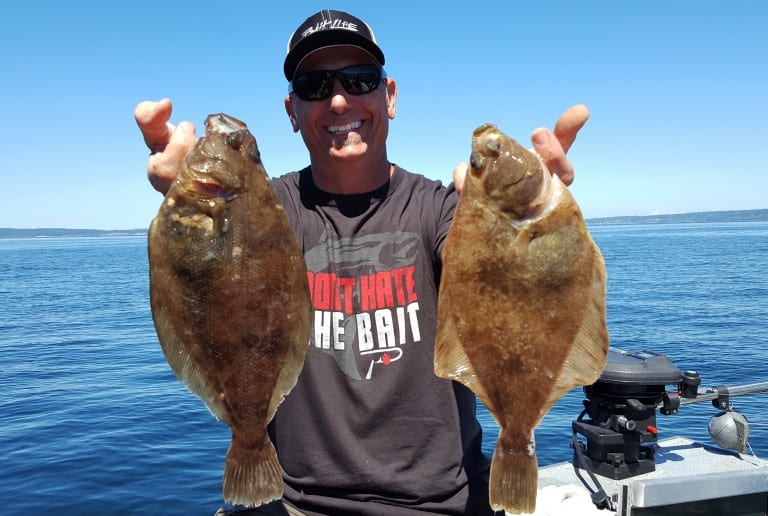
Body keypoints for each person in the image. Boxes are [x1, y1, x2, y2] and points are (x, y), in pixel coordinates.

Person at [135, 9, 589, 516]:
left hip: (443, 505)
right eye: (314, 85)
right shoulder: (265, 212)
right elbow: (202, 280)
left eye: (360, 80)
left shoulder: (439, 210)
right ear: (291, 111)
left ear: (388, 96)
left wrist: (529, 224)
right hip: (292, 503)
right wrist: (189, 203)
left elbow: (500, 283)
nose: (337, 99)